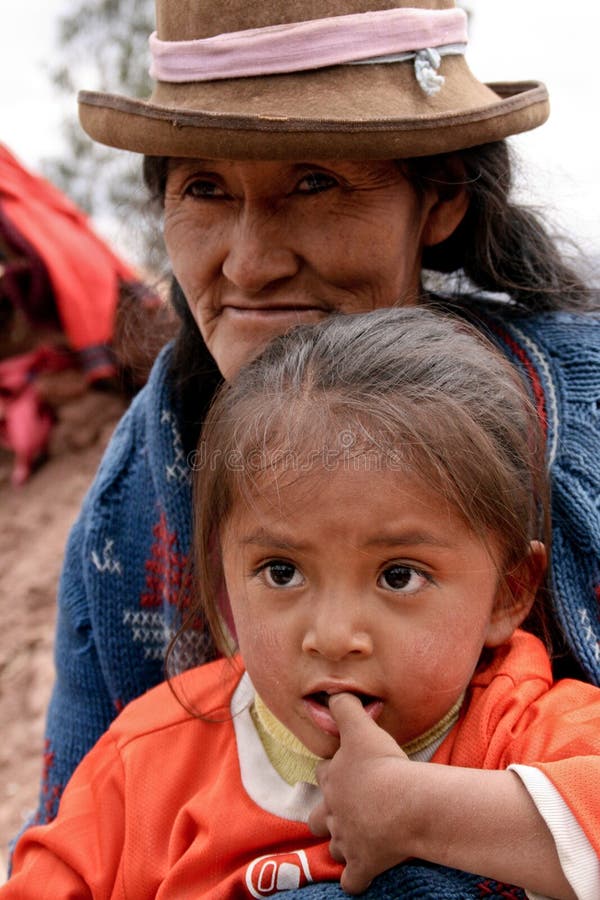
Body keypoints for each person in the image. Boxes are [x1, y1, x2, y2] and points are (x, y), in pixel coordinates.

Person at [15, 0, 600, 895]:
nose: (248, 265)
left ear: (441, 195)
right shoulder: (137, 503)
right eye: (204, 188)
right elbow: (74, 836)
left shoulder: (576, 434)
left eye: (315, 182)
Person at [6, 307, 600, 899]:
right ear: (223, 582)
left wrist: (422, 813)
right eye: (282, 572)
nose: (334, 636)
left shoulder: (515, 726)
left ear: (508, 592)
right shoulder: (147, 761)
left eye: (399, 577)